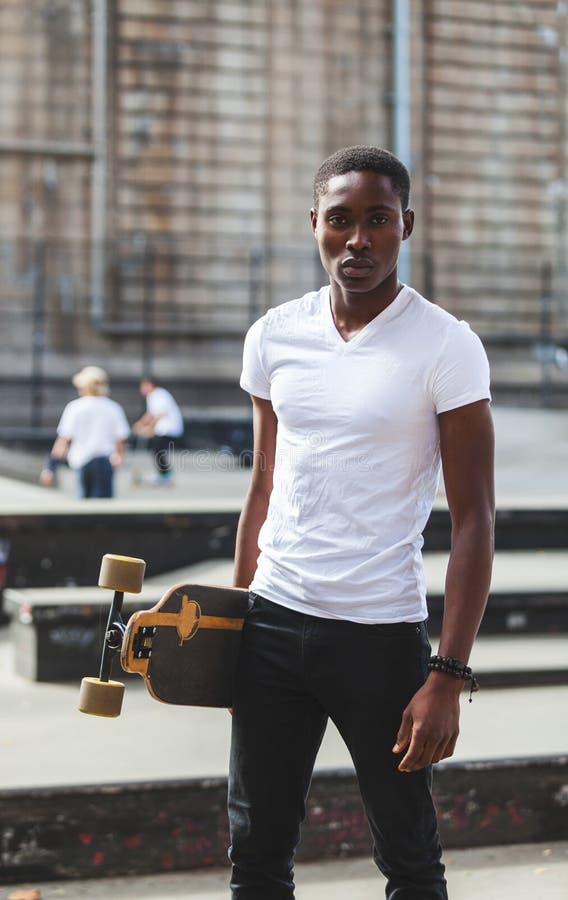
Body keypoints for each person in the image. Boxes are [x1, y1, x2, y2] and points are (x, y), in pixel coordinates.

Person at [229, 146, 495, 899]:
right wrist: (234, 610)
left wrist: (447, 672)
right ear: (314, 223)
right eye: (340, 220)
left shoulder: (446, 344)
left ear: (405, 226)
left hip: (379, 638)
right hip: (272, 628)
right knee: (256, 854)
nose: (358, 240)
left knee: (410, 860)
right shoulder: (274, 335)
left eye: (378, 220)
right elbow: (265, 481)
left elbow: (474, 517)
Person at [40, 366, 130, 499]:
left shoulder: (74, 408)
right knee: (104, 507)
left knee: (84, 506)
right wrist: (119, 456)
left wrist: (50, 468)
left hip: (81, 460)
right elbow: (121, 438)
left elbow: (63, 440)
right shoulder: (113, 408)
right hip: (104, 460)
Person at [133, 378, 184, 485]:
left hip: (168, 429)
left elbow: (159, 414)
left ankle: (166, 476)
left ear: (151, 385)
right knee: (158, 451)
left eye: (144, 386)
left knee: (158, 452)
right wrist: (141, 424)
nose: (141, 389)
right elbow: (151, 413)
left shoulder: (158, 394)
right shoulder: (154, 396)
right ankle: (164, 475)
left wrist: (150, 428)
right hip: (164, 429)